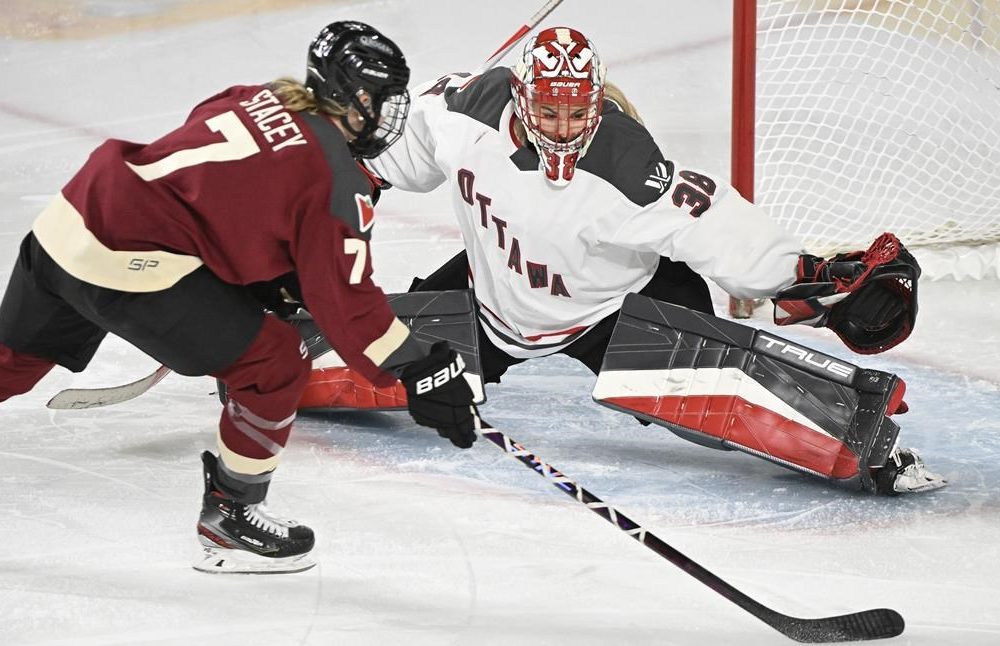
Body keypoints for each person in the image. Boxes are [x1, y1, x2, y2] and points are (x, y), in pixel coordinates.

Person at [357, 26, 944, 495]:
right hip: (493, 290)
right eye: (549, 111)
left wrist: (806, 278)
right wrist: (343, 182)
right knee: (366, 360)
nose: (564, 128)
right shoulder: (465, 113)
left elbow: (715, 225)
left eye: (577, 112)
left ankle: (865, 438)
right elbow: (387, 155)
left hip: (612, 304)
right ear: (520, 96)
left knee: (719, 409)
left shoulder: (630, 164)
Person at [0, 21, 479, 575]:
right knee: (274, 362)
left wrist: (258, 273)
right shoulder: (334, 181)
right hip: (129, 267)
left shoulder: (258, 97)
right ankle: (232, 515)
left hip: (71, 216)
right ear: (358, 98)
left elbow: (215, 184)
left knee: (14, 362)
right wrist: (416, 368)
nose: (389, 115)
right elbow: (349, 309)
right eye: (384, 100)